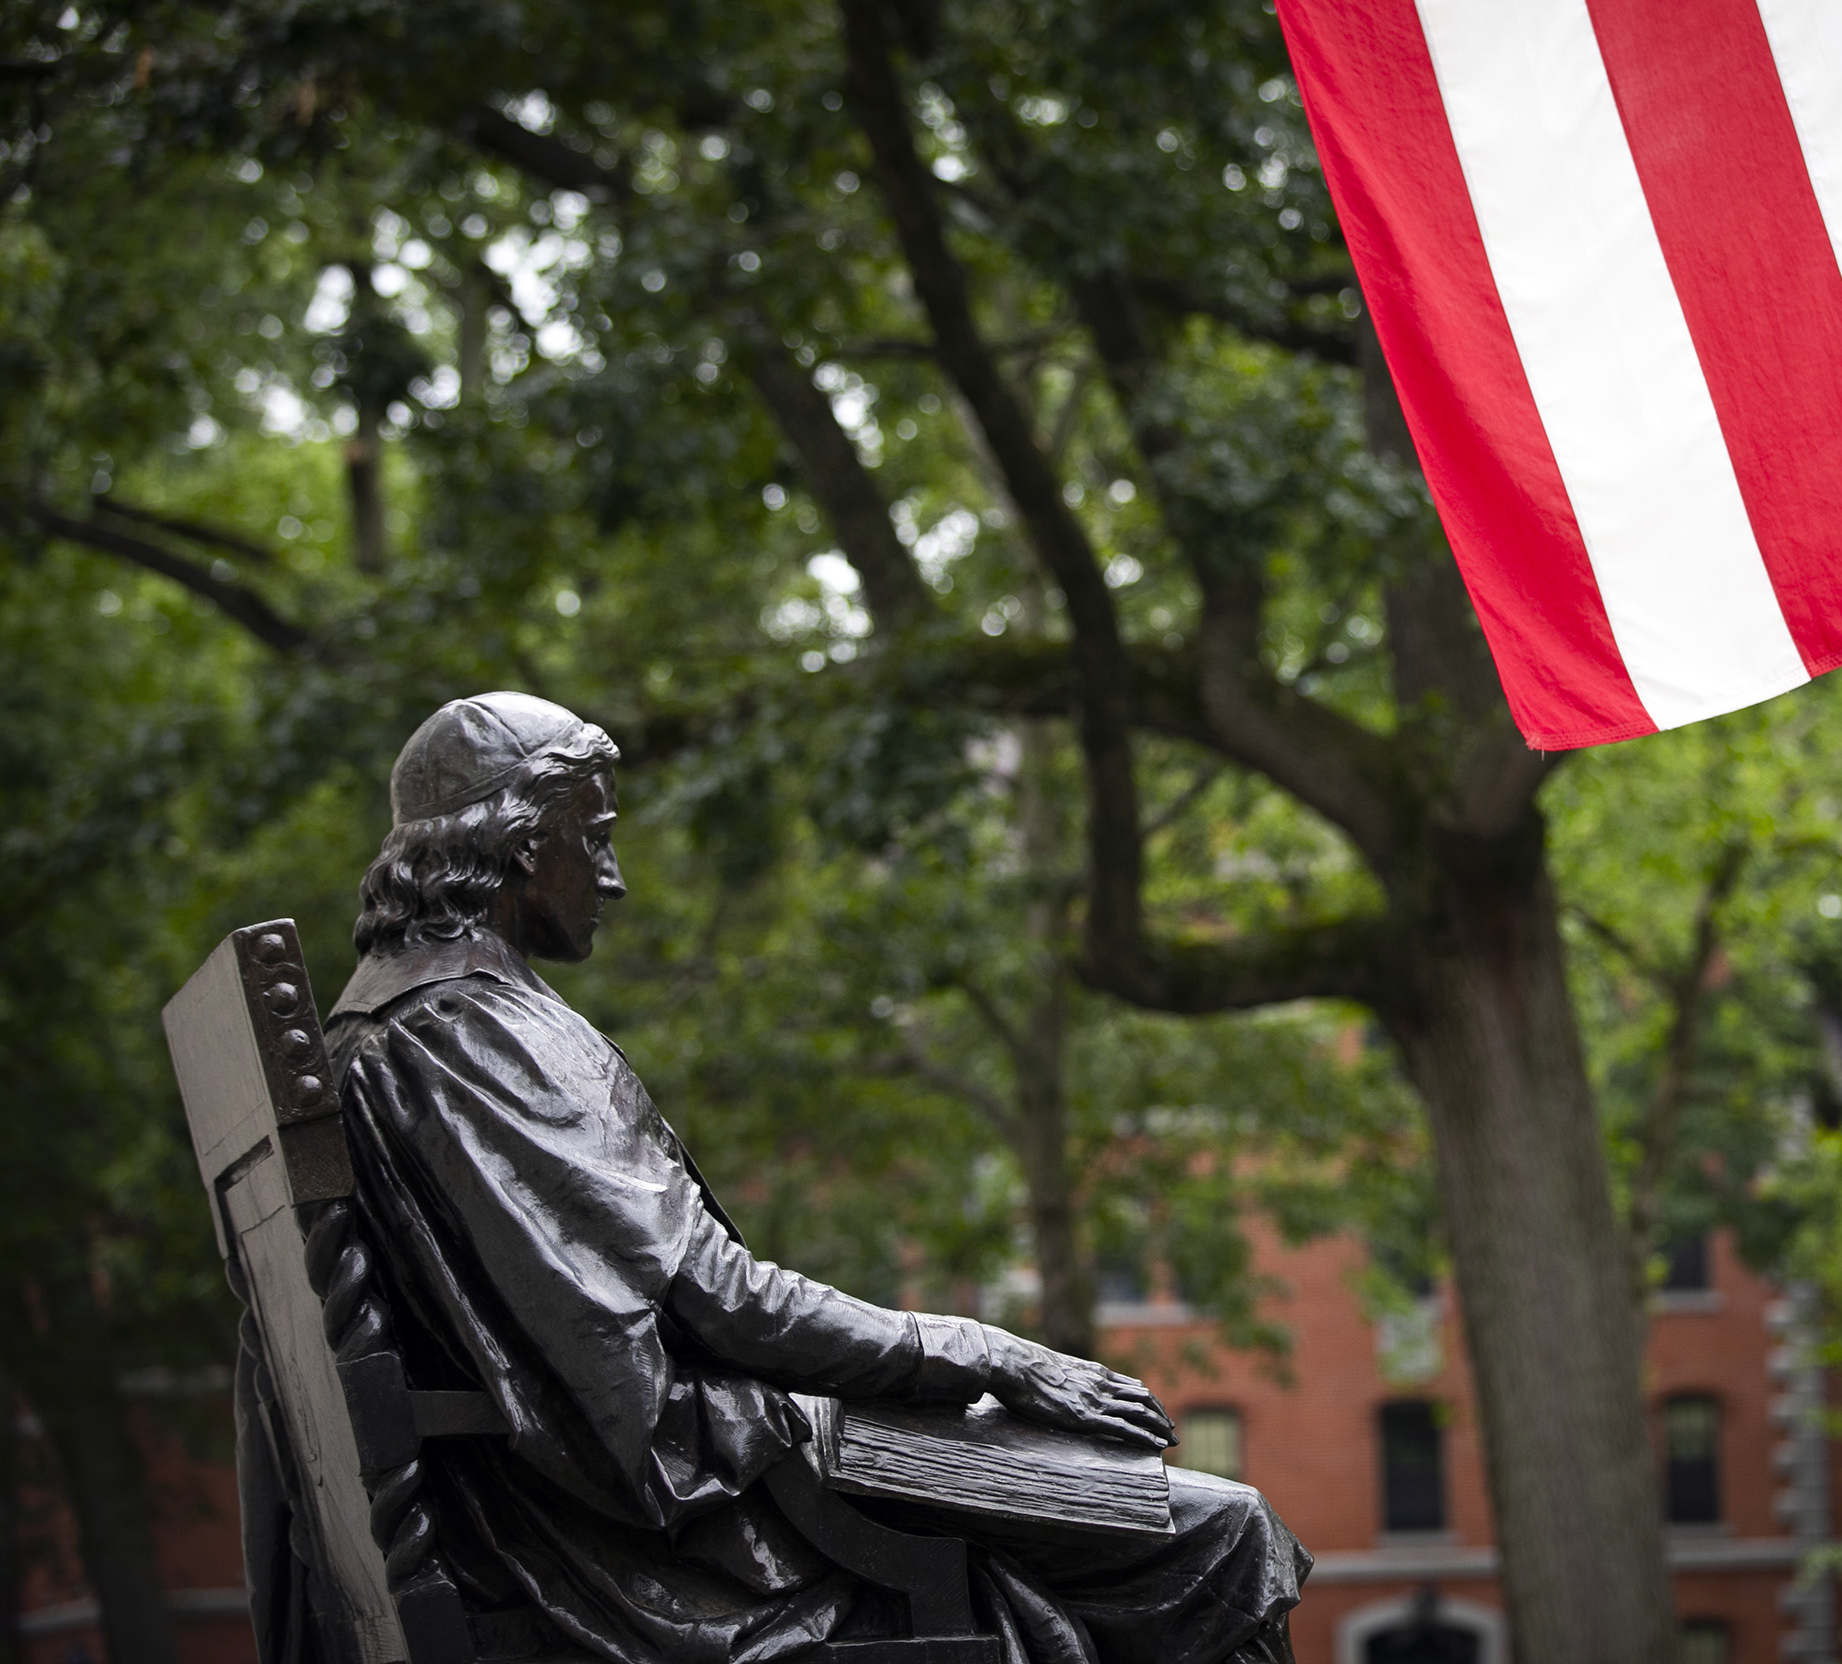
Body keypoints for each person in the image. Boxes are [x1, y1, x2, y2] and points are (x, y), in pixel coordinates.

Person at [257, 692, 1305, 1664]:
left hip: (582, 1500)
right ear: (528, 846)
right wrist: (979, 1350)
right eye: (598, 836)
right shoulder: (474, 1031)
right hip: (683, 1526)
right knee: (1219, 1535)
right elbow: (721, 1302)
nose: (612, 877)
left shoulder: (389, 1025)